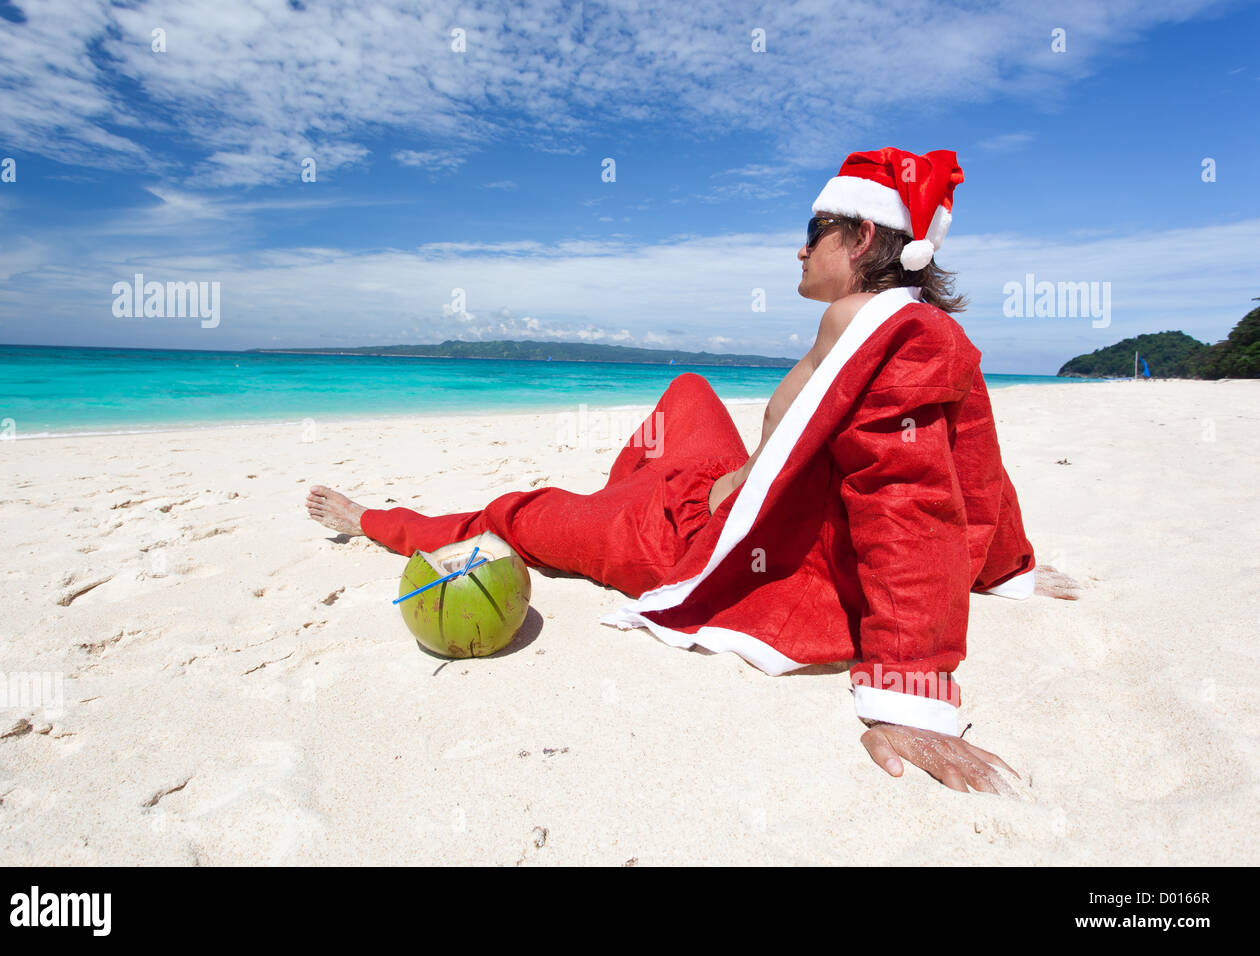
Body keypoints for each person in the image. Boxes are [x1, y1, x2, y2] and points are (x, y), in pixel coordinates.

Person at [308, 147, 1078, 794]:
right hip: (715, 484)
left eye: (813, 232)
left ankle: (370, 520)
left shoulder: (881, 330)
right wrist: (1004, 565)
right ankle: (621, 490)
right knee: (687, 389)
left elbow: (908, 495)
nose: (799, 249)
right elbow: (977, 462)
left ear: (860, 236)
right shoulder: (908, 327)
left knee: (521, 515)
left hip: (680, 538)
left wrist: (911, 692)